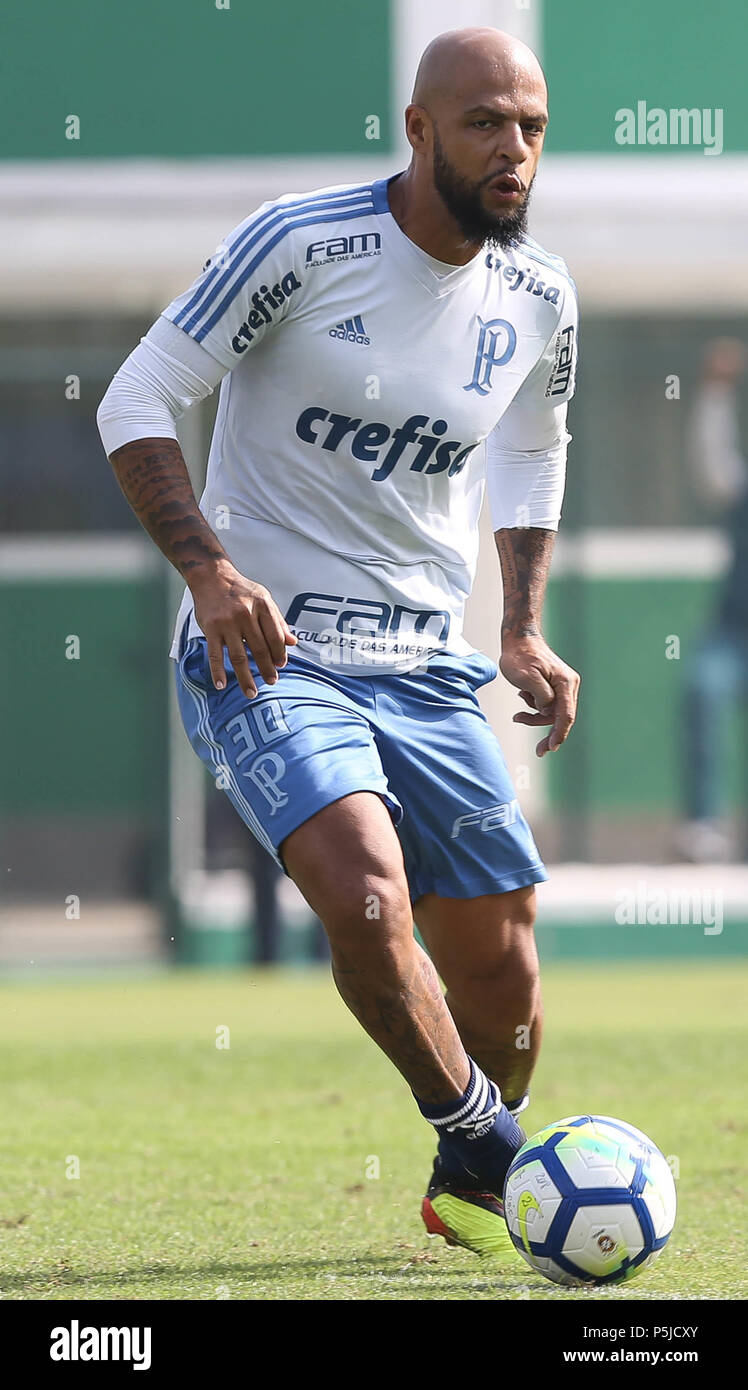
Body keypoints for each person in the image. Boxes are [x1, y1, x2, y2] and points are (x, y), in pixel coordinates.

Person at [96, 26, 580, 1259]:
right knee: (367, 896)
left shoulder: (538, 296)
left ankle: (472, 1164)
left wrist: (518, 627)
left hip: (428, 663)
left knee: (504, 966)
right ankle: (485, 1138)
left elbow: (530, 447)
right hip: (271, 653)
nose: (512, 148)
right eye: (483, 122)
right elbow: (137, 397)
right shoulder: (299, 243)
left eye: (529, 124)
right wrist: (209, 572)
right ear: (417, 130)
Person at [679, 338, 748, 862]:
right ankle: (703, 826)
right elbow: (712, 463)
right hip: (732, 632)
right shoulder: (740, 491)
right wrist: (716, 390)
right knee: (701, 691)